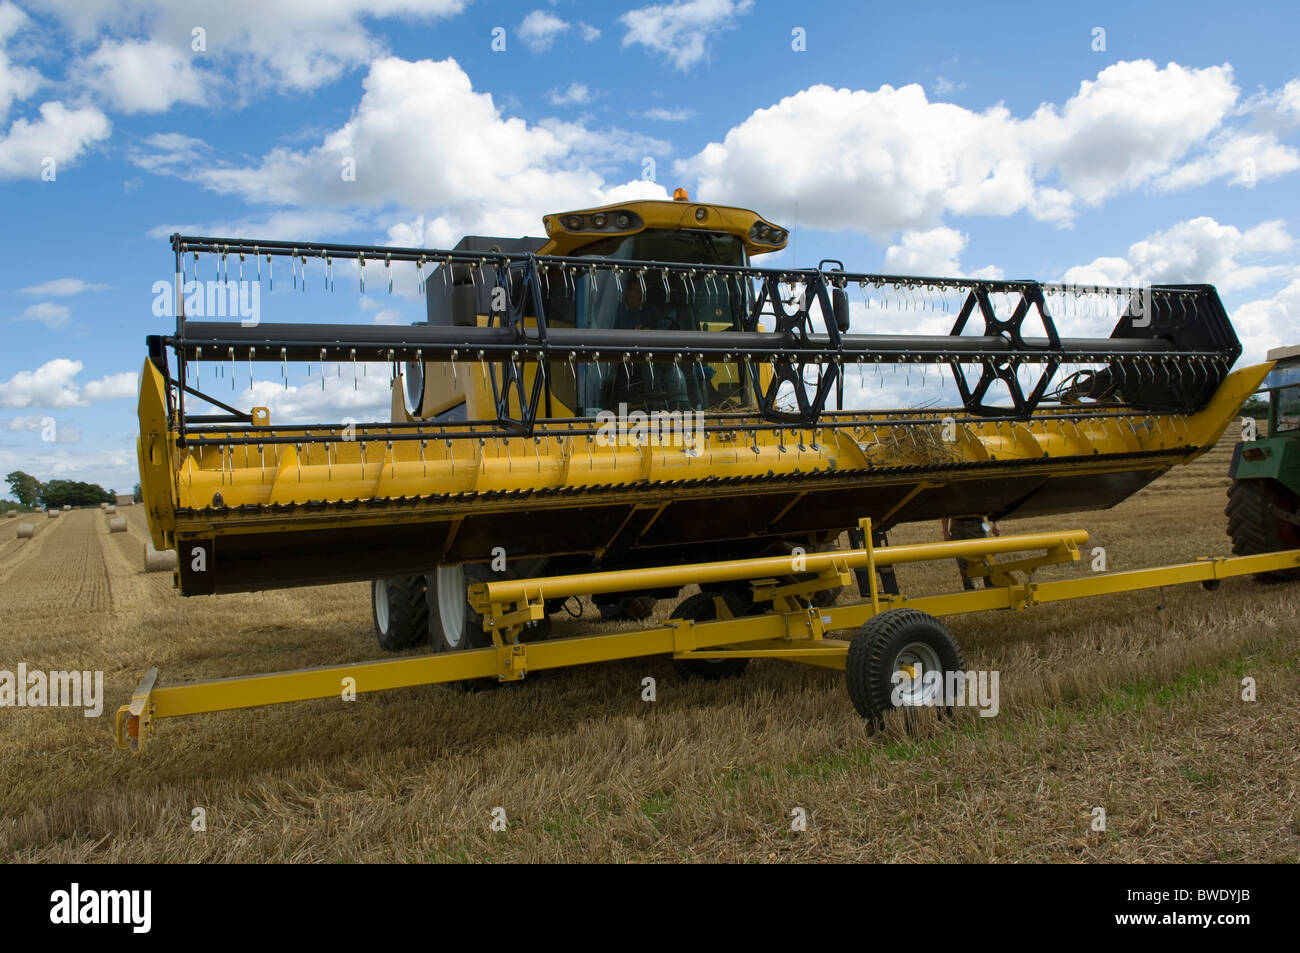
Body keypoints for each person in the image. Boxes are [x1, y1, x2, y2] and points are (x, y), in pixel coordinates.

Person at [941, 515, 1001, 590]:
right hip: (957, 527)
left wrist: (995, 523)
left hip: (977, 524)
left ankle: (992, 591)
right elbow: (946, 508)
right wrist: (945, 532)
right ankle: (970, 593)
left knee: (986, 562)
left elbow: (989, 504)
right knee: (963, 564)